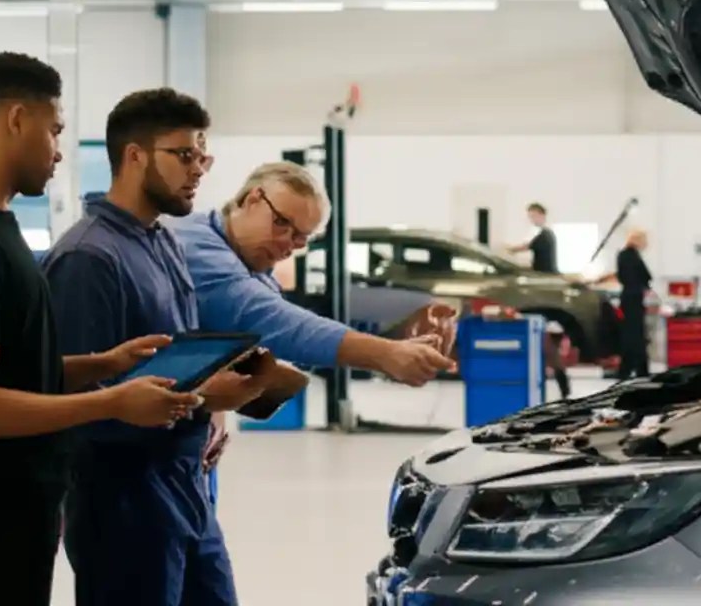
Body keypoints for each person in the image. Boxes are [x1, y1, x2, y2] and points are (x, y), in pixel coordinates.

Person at [0, 53, 201, 606]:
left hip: (22, 502)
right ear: (17, 119)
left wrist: (103, 364)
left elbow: (15, 369)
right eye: (55, 130)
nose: (59, 150)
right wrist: (110, 401)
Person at [41, 88, 273, 606]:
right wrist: (197, 398)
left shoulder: (162, 240)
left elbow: (179, 352)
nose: (199, 169)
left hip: (186, 487)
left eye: (202, 156)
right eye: (185, 154)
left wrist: (211, 411)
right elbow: (74, 408)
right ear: (135, 155)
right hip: (125, 506)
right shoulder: (88, 260)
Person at [175, 161, 456, 384]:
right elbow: (268, 320)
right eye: (281, 223)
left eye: (300, 238)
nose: (288, 244)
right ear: (252, 200)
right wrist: (384, 354)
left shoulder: (249, 261)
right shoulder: (193, 245)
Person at [589, 229, 653, 379]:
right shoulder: (629, 255)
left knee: (633, 336)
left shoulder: (628, 255)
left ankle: (631, 369)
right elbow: (640, 277)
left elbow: (623, 275)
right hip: (633, 300)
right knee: (635, 337)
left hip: (631, 299)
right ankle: (635, 370)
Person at [507, 202, 559, 273]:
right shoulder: (544, 232)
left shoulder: (544, 235)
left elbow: (525, 247)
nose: (532, 219)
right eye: (530, 217)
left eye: (534, 216)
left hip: (545, 274)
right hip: (544, 272)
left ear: (542, 215)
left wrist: (509, 249)